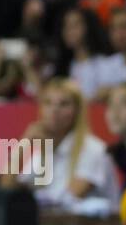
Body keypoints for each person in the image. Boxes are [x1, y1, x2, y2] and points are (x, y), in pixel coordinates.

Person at [9, 77, 115, 207]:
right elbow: (7, 189)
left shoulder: (93, 149)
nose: (55, 109)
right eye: (48, 103)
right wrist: (23, 144)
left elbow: (67, 200)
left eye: (64, 104)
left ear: (77, 111)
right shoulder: (41, 153)